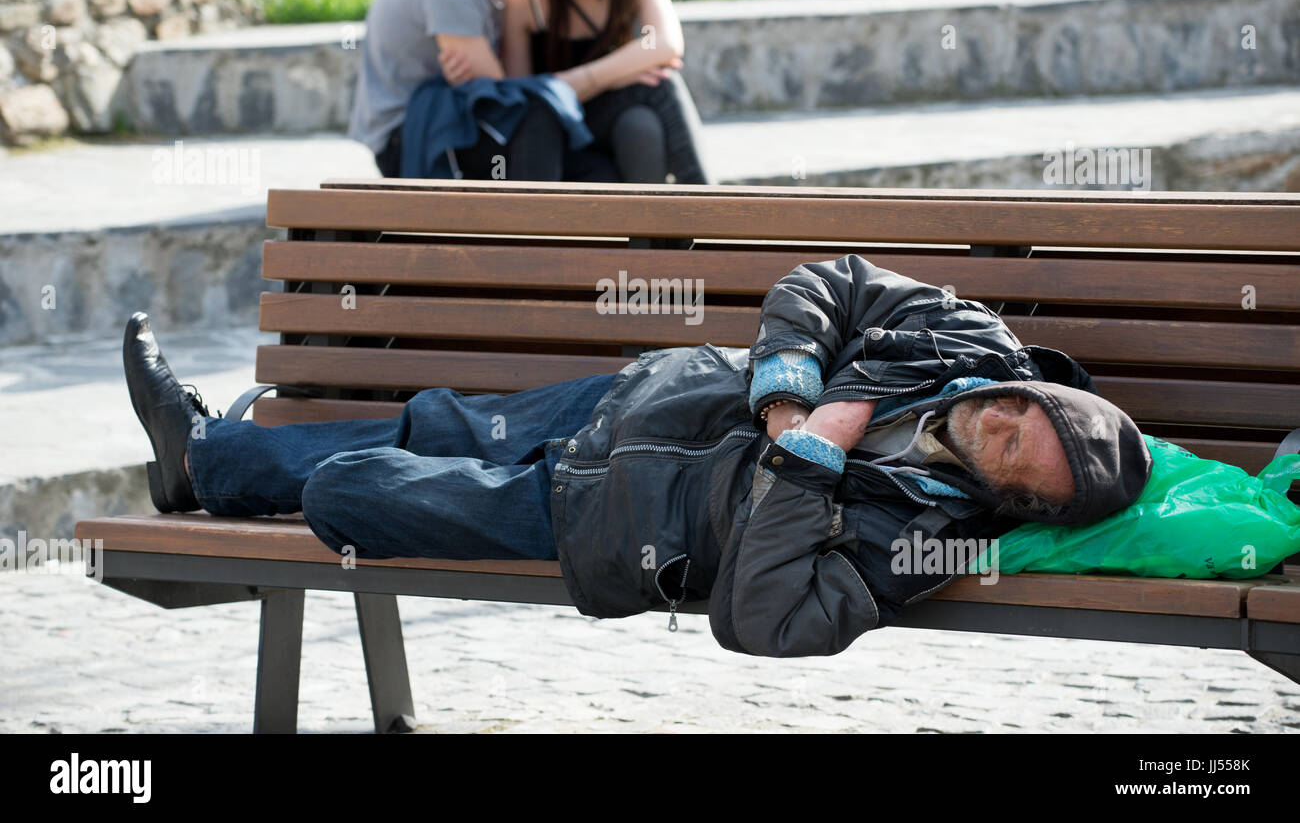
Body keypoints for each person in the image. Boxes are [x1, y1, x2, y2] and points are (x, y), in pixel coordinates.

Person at [123, 254, 1152, 658]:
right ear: (1032, 388)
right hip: (647, 399)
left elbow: (761, 620)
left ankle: (210, 462)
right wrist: (790, 389)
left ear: (1008, 502)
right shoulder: (970, 340)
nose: (1001, 434)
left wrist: (811, 460)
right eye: (1022, 418)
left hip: (603, 524)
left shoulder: (925, 542)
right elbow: (827, 281)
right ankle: (203, 458)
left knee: (353, 487)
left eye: (1014, 464)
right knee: (436, 422)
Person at [348, 0, 590, 181]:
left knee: (576, 144)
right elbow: (497, 90)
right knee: (541, 119)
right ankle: (529, 225)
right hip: (407, 138)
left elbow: (496, 84)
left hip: (447, 117)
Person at [492, 0, 714, 185]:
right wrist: (615, 75)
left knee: (642, 121)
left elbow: (665, 44)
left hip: (605, 113)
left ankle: (676, 221)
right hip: (551, 122)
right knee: (661, 87)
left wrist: (591, 81)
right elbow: (522, 97)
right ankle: (710, 206)